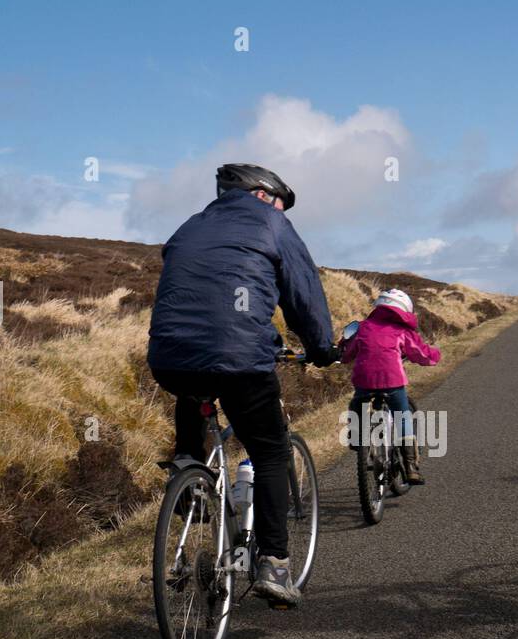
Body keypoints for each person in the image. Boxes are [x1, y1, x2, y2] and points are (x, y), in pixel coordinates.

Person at [148, 163, 335, 608]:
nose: (280, 208)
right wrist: (323, 349)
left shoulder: (189, 226)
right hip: (240, 359)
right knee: (270, 451)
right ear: (262, 195)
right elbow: (303, 297)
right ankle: (273, 562)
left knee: (193, 390)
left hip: (169, 357)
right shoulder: (274, 225)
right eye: (278, 200)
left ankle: (188, 467)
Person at [342, 288, 441, 483]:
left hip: (364, 381)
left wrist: (341, 354)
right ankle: (411, 466)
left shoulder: (362, 327)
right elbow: (420, 354)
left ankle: (356, 438)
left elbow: (347, 353)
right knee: (403, 417)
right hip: (393, 382)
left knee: (357, 404)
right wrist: (435, 355)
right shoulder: (403, 331)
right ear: (404, 310)